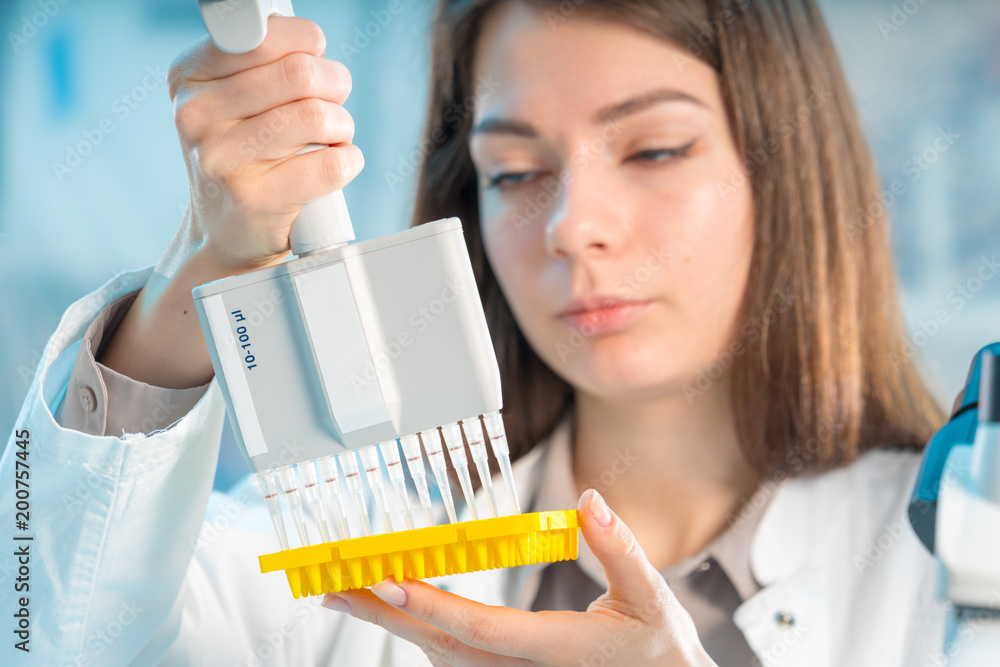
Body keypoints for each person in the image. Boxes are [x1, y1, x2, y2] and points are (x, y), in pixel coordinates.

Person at [1, 0, 951, 664]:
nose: (573, 225)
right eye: (515, 172)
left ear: (786, 167)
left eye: (655, 149)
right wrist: (207, 257)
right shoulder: (372, 538)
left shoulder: (948, 557)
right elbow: (57, 633)